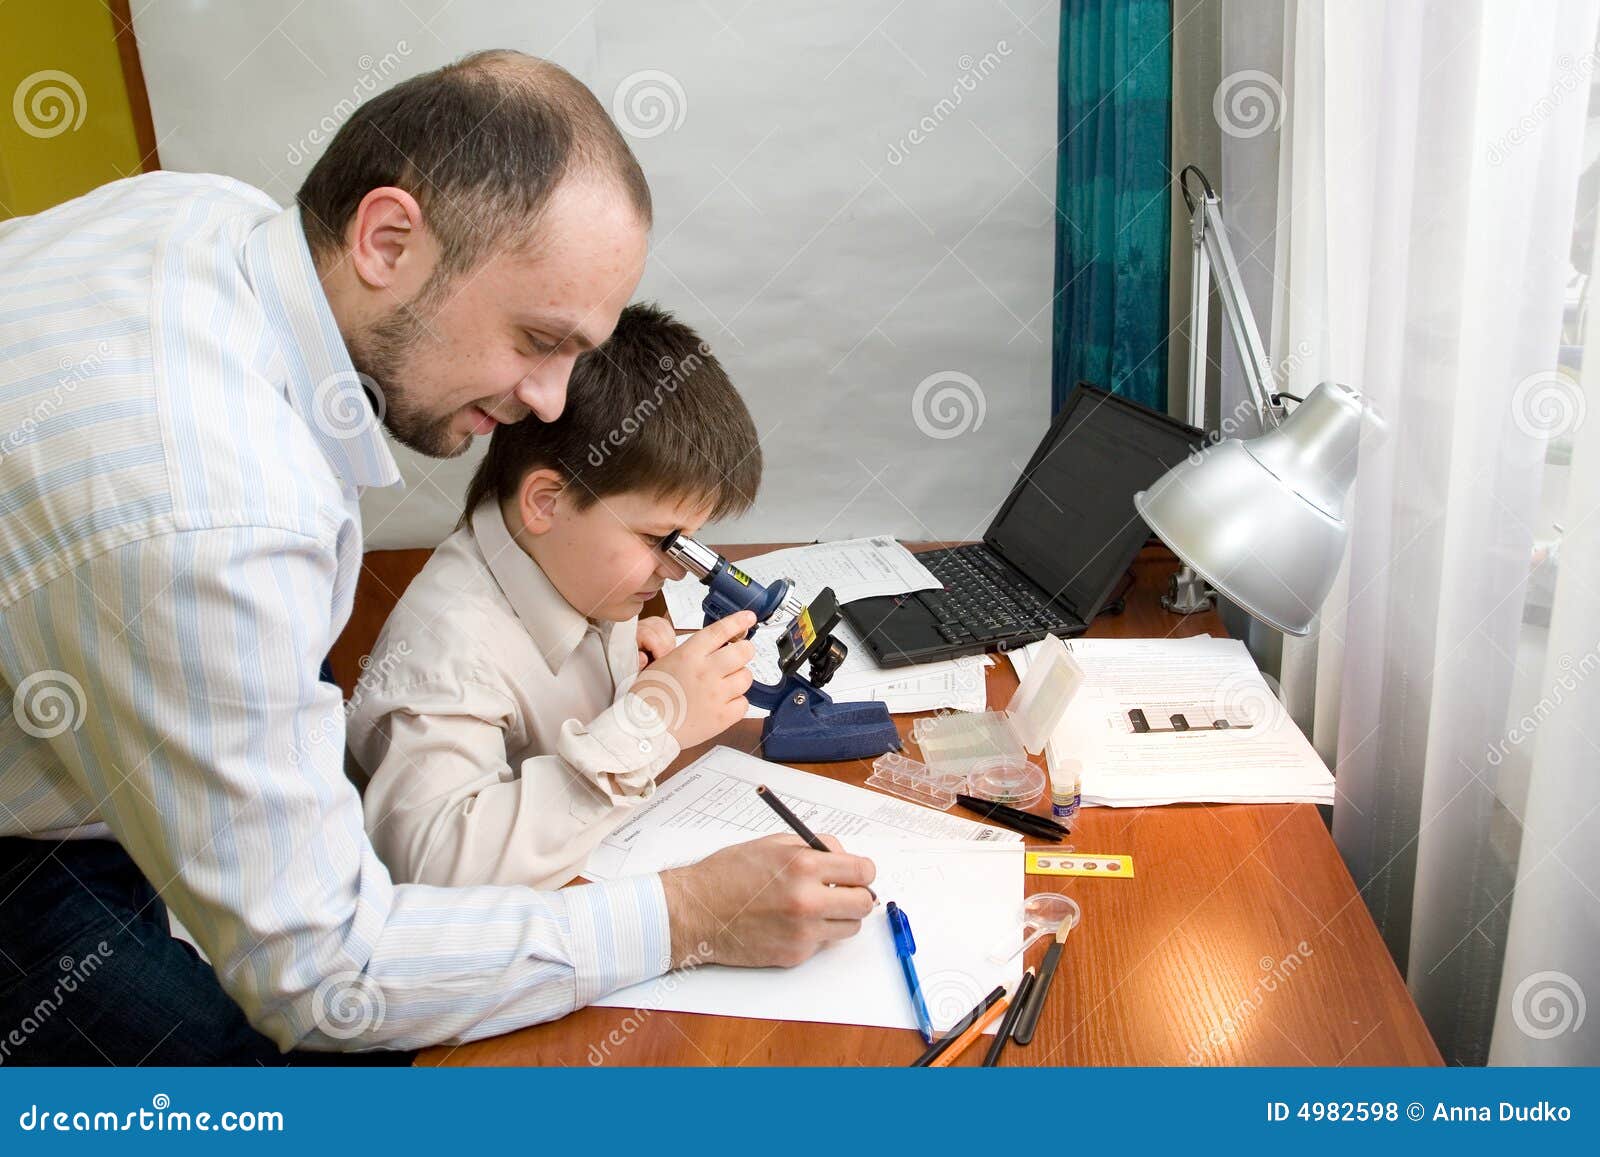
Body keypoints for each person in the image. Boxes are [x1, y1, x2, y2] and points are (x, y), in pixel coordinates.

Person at [0, 50, 873, 1064]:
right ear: (387, 239)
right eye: (536, 338)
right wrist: (690, 916)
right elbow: (328, 978)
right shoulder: (206, 520)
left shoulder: (203, 220)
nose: (550, 404)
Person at [348, 302, 762, 890]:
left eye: (690, 544)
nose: (676, 571)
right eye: (659, 539)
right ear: (546, 502)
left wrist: (621, 674)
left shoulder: (574, 566)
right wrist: (650, 718)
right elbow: (435, 869)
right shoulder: (447, 651)